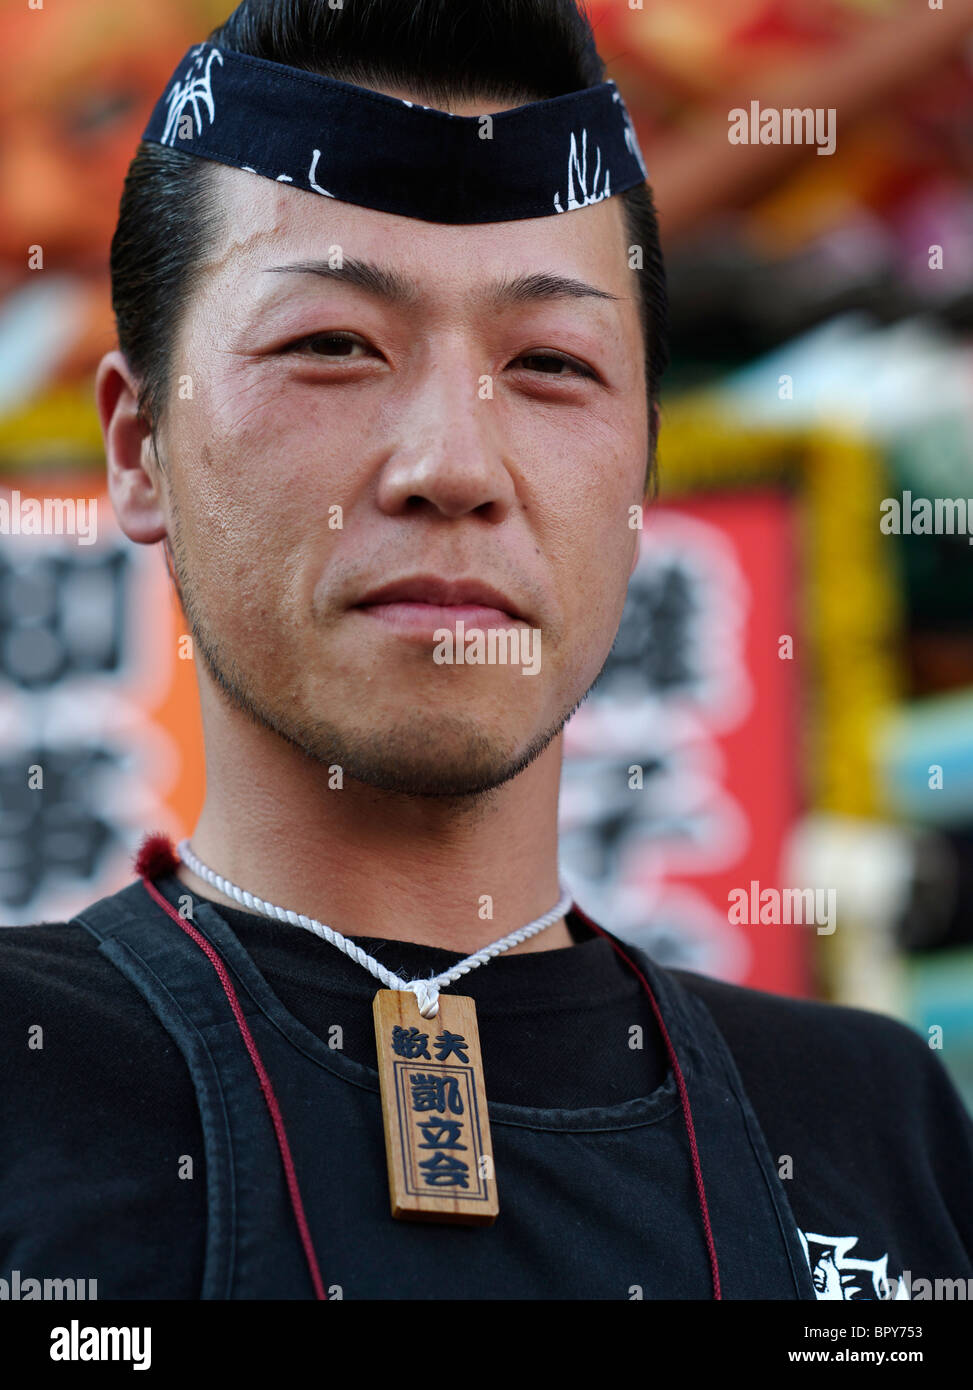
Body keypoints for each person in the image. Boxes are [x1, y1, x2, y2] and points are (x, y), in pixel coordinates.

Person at [1, 0, 970, 1302]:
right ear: (136, 446)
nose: (453, 465)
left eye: (552, 363)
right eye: (332, 345)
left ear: (642, 466)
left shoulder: (873, 1118)